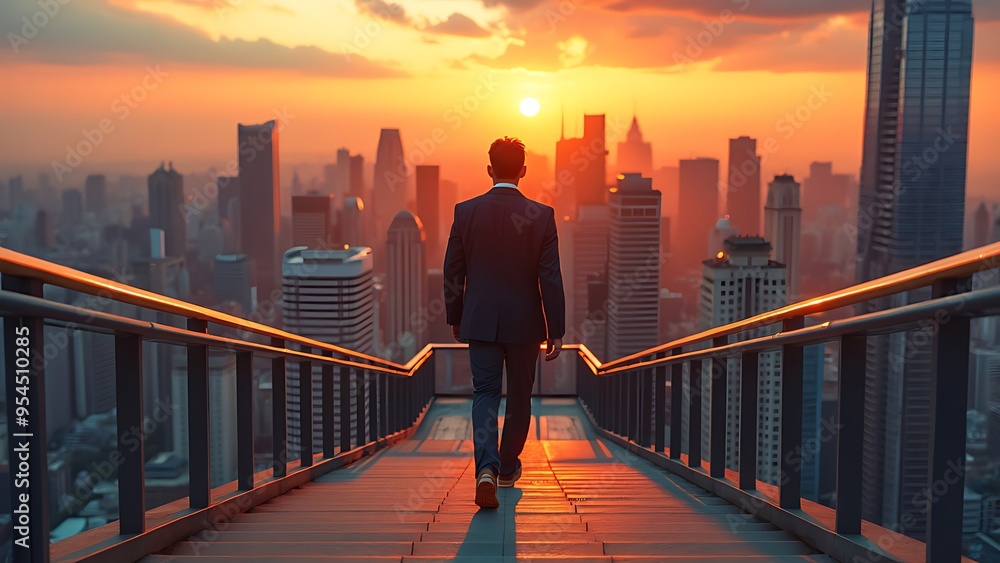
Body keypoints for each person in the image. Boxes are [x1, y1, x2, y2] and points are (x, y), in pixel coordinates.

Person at [443, 136, 566, 509]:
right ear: (523, 171)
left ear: (489, 170)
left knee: (484, 394)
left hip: (480, 320)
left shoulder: (465, 212)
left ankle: (486, 469)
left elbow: (453, 272)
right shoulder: (542, 216)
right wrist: (556, 329)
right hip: (525, 324)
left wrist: (456, 317)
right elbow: (550, 277)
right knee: (519, 397)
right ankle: (508, 466)